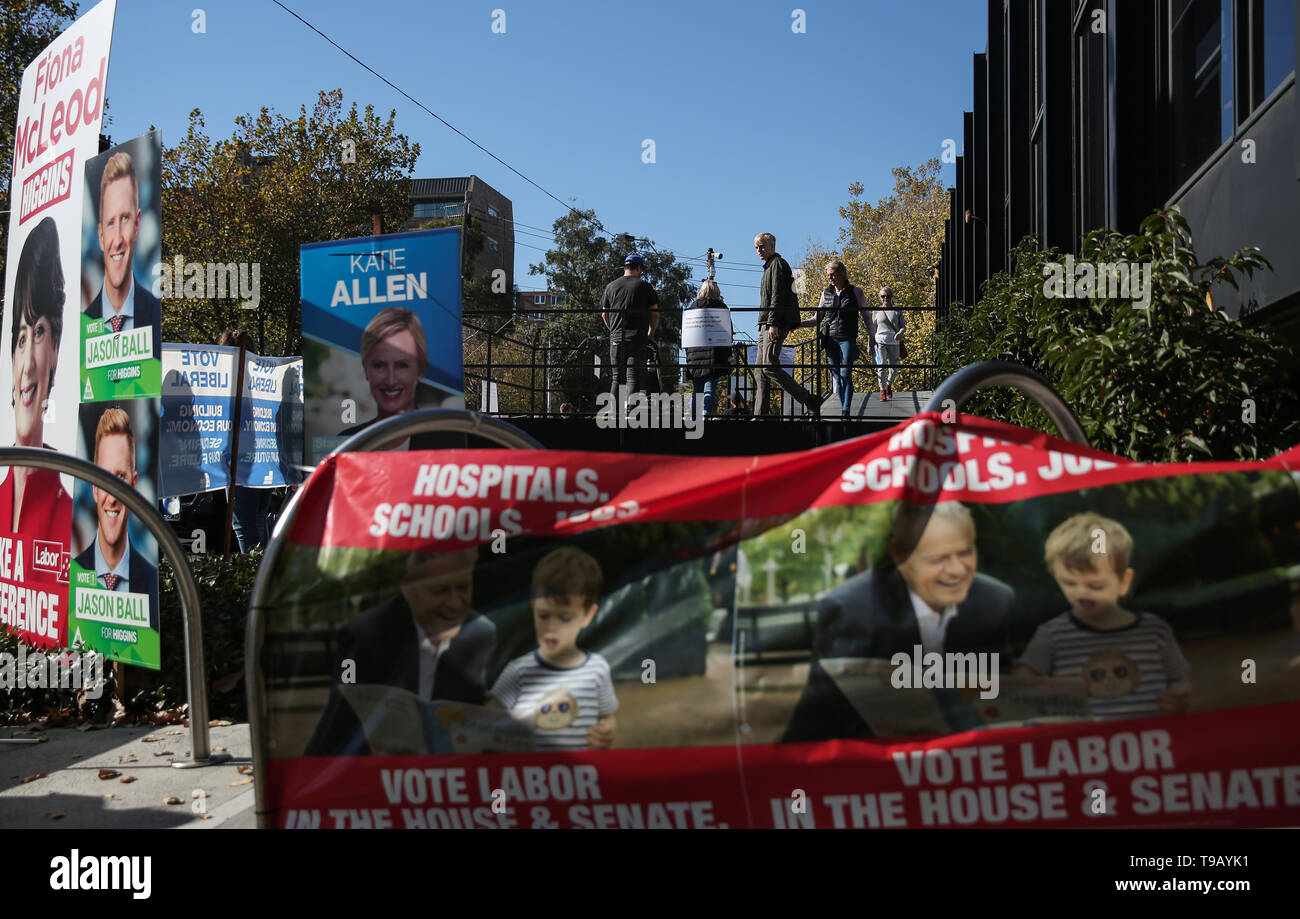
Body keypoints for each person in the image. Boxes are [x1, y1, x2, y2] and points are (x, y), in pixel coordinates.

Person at [782, 501, 1015, 743]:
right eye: (938, 559)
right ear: (898, 555)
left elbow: (1002, 694)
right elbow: (829, 714)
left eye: (966, 552)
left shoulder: (995, 601)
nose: (957, 570)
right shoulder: (852, 610)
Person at [305, 547, 497, 755]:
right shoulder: (366, 636)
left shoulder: (481, 634)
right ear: (408, 589)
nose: (455, 603)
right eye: (439, 591)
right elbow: (338, 724)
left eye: (463, 588)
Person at [1016, 513, 1192, 720]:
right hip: (1083, 747)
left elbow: (1180, 681)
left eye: (1095, 586)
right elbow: (1021, 688)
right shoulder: (1051, 635)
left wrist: (1179, 697)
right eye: (1069, 583)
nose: (1081, 593)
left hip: (1152, 743)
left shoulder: (1155, 632)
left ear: (1124, 582)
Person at [489, 546, 618, 750]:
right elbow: (489, 717)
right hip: (531, 778)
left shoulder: (597, 670)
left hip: (580, 777)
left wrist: (607, 731)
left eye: (564, 618)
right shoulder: (518, 672)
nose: (551, 627)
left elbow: (607, 717)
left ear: (588, 616)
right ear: (532, 607)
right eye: (543, 615)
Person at [2, 217, 72, 545]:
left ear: (56, 348)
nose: (28, 364)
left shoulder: (72, 517)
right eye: (20, 337)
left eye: (39, 332)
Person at [74, 407, 160, 629]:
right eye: (104, 478)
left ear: (134, 483)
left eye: (120, 478)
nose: (112, 497)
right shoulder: (73, 576)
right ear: (94, 487)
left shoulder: (151, 581)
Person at [338, 306, 463, 449]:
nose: (391, 380)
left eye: (402, 365)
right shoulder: (346, 444)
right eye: (379, 365)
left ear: (421, 369)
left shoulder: (446, 443)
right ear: (366, 369)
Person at [85, 151, 161, 359]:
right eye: (111, 222)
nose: (117, 240)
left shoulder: (155, 315)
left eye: (125, 218)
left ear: (137, 224)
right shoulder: (84, 324)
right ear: (100, 235)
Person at [753, 233, 820, 419]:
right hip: (765, 323)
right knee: (760, 371)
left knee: (768, 366)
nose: (759, 250)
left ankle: (808, 399)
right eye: (757, 247)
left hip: (774, 323)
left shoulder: (778, 265)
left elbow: (778, 296)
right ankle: (760, 415)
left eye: (762, 246)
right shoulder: (768, 267)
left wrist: (773, 323)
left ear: (772, 245)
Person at [799, 260, 873, 419]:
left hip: (848, 338)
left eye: (832, 274)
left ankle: (846, 411)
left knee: (846, 373)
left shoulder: (855, 292)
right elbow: (817, 318)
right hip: (831, 338)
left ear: (841, 273)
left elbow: (866, 316)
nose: (830, 278)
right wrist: (798, 324)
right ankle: (843, 406)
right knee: (837, 377)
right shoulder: (825, 294)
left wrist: (871, 337)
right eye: (828, 275)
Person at [218, 328, 270, 552]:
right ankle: (266, 578)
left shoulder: (228, 383)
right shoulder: (262, 378)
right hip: (266, 460)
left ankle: (255, 581)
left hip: (241, 463)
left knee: (243, 524)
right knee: (257, 520)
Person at [600, 253, 660, 403]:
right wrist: (650, 334)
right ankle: (631, 412)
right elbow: (655, 314)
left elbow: (604, 314)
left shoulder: (611, 286)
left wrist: (613, 331)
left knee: (616, 377)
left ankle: (613, 412)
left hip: (616, 338)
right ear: (639, 268)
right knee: (633, 376)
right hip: (637, 338)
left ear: (625, 267)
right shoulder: (645, 286)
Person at [684, 280, 732, 415]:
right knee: (709, 389)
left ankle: (694, 416)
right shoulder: (722, 308)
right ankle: (705, 414)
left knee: (697, 390)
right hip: (714, 355)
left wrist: (688, 353)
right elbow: (728, 333)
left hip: (694, 357)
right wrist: (727, 354)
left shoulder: (692, 308)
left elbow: (687, 332)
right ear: (716, 292)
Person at [873, 287, 906, 401]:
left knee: (894, 367)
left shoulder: (897, 310)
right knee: (881, 365)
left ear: (892, 297)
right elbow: (872, 329)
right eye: (883, 296)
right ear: (880, 298)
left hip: (894, 341)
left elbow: (903, 326)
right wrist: (869, 346)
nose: (885, 298)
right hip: (880, 341)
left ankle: (888, 384)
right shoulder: (876, 311)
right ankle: (882, 390)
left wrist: (900, 333)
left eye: (888, 296)